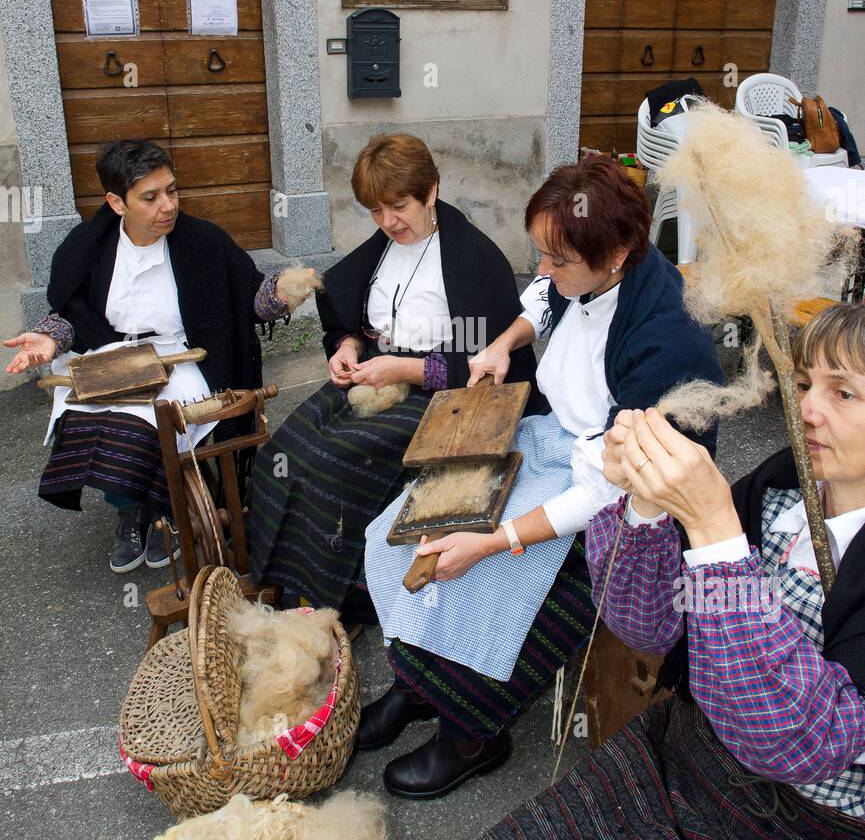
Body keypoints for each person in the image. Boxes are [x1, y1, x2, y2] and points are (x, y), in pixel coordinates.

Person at [394, 301, 865, 840]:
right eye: (803, 385)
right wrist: (644, 505)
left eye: (842, 392)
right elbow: (648, 627)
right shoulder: (781, 490)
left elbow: (796, 743)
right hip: (688, 765)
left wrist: (711, 528)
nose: (810, 410)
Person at [360, 158, 724, 799]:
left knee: (477, 571)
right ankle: (416, 684)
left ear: (616, 251)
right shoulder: (583, 269)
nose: (543, 272)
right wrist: (504, 342)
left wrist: (497, 539)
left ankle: (472, 731)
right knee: (391, 533)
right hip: (557, 440)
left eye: (556, 260)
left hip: (622, 500)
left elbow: (616, 488)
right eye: (541, 255)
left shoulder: (667, 342)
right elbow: (541, 298)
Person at [248, 133, 538, 622]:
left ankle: (347, 597)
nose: (387, 222)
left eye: (399, 207)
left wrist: (402, 367)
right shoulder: (381, 249)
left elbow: (485, 363)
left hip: (447, 398)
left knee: (332, 459)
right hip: (377, 379)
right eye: (376, 211)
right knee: (283, 449)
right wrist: (349, 346)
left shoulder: (474, 259)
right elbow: (355, 316)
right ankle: (293, 577)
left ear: (432, 191)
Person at [4, 140, 305, 574]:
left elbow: (250, 297)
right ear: (116, 202)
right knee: (86, 419)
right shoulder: (88, 247)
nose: (167, 205)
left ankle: (165, 512)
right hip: (110, 355)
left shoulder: (203, 242)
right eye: (150, 197)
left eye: (172, 191)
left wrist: (283, 290)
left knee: (148, 422)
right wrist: (51, 339)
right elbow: (72, 313)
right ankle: (131, 512)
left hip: (180, 359)